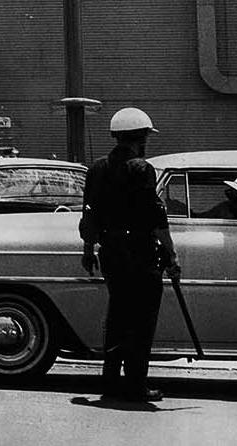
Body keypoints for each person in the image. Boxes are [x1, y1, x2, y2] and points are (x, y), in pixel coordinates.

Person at [79, 106, 181, 404]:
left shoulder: (97, 168)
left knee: (117, 316)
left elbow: (89, 215)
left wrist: (88, 249)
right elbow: (155, 217)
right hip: (140, 253)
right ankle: (136, 385)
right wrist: (172, 255)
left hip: (110, 252)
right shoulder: (141, 168)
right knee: (141, 321)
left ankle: (110, 383)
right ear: (141, 137)